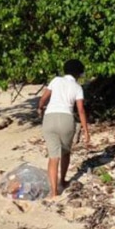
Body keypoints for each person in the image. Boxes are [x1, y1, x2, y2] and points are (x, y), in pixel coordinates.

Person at [37, 59, 91, 196]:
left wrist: (40, 108)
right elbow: (81, 110)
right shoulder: (78, 88)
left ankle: (54, 192)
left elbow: (43, 99)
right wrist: (86, 130)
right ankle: (62, 181)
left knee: (53, 157)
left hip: (50, 118)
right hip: (66, 119)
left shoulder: (56, 80)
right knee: (65, 152)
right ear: (78, 73)